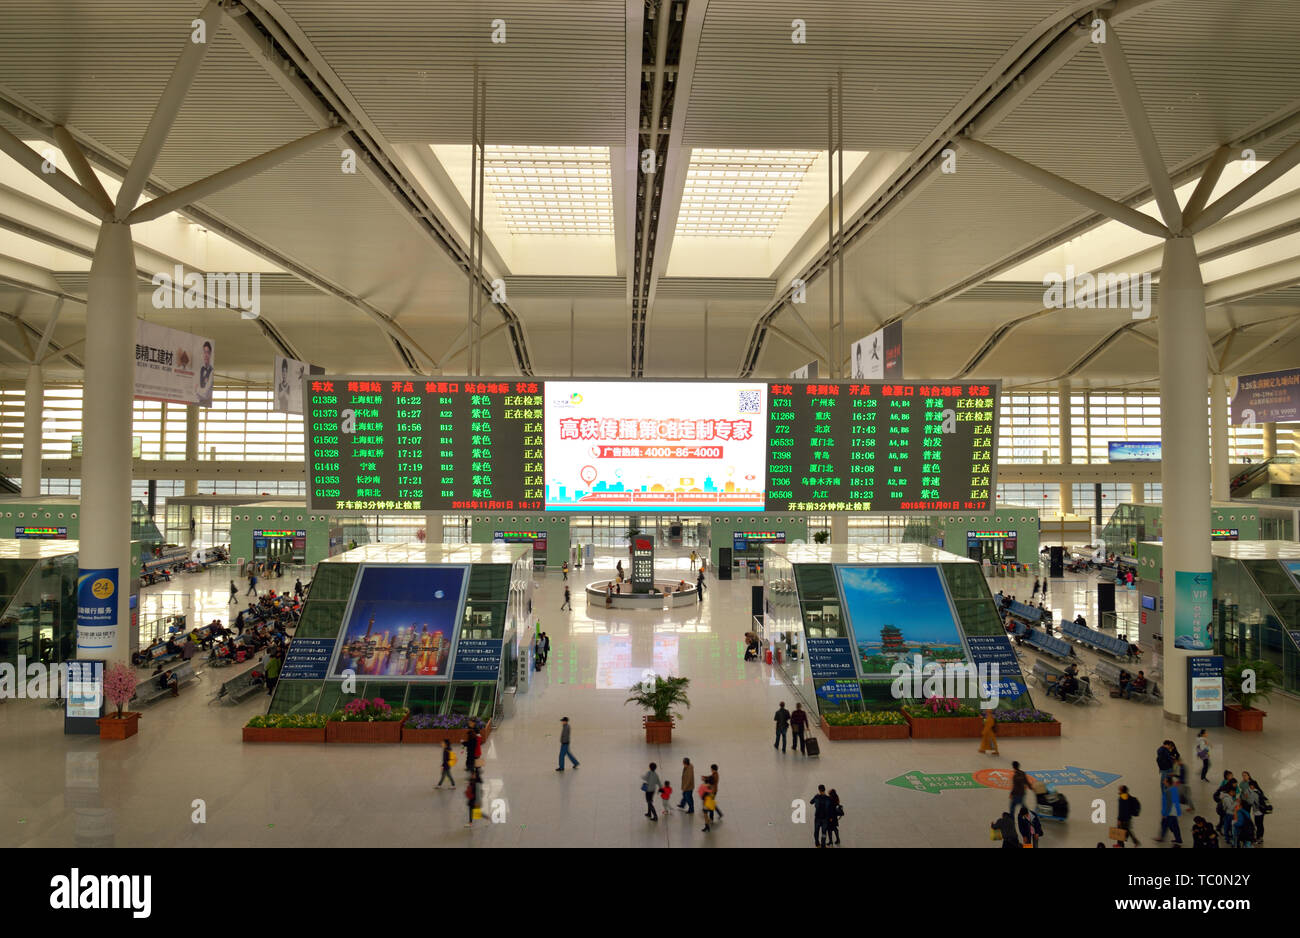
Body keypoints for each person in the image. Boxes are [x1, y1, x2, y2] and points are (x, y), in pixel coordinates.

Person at [1156, 775, 1184, 845]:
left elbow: (1169, 804)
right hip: (1174, 811)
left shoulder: (1169, 791)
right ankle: (1178, 839)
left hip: (1169, 812)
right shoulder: (1174, 789)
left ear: (1168, 782)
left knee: (1164, 825)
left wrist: (1165, 814)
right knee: (1174, 826)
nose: (1163, 782)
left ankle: (1161, 837)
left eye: (1164, 781)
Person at [1240, 771, 1267, 843]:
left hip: (1258, 811)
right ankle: (1260, 837)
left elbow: (1250, 802)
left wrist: (1246, 797)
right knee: (1260, 824)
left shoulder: (1253, 793)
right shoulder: (1258, 791)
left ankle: (1259, 838)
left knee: (1258, 824)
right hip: (1261, 811)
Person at [196, 340, 214, 407]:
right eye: (204, 352)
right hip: (198, 402)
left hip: (206, 402)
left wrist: (197, 390)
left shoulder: (211, 372)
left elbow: (205, 394)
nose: (206, 355)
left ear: (210, 354)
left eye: (208, 352)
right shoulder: (200, 370)